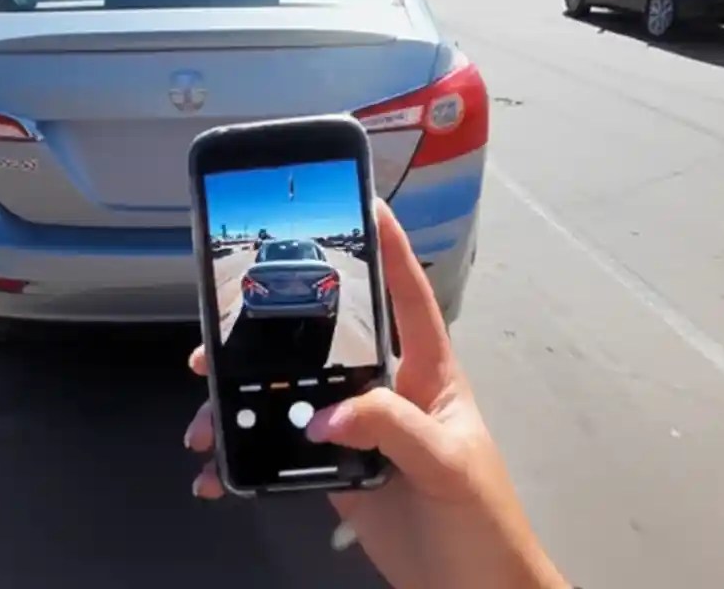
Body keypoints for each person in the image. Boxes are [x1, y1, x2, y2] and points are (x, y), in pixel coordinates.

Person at [183, 199, 574, 589]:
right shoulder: (323, 268)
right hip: (318, 307)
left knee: (235, 368)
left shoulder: (257, 270)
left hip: (261, 306)